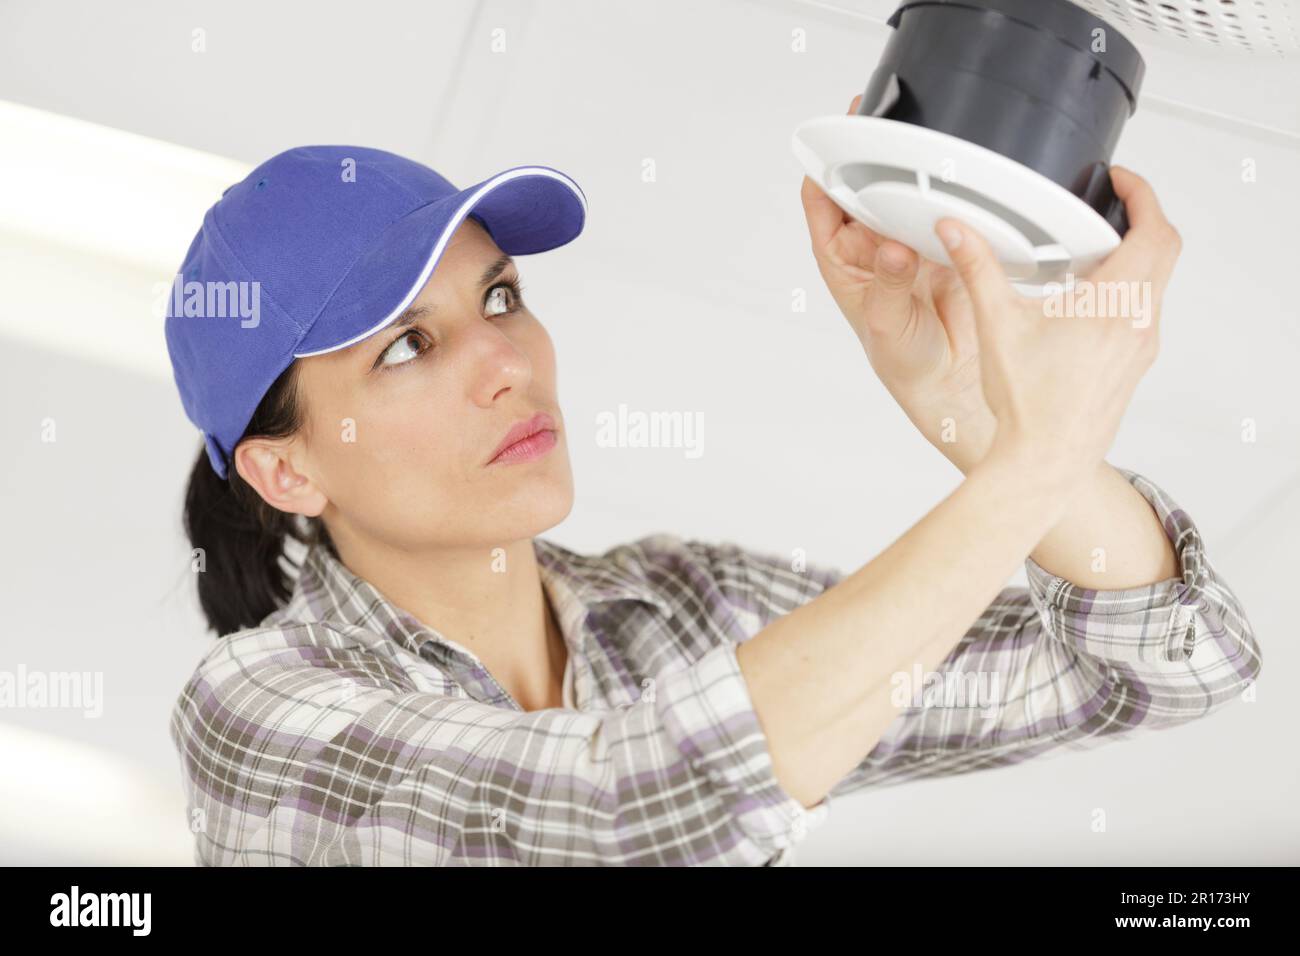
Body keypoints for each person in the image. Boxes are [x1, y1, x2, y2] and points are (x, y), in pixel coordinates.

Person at [165, 122, 1260, 866]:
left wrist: (969, 413)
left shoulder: (679, 604)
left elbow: (1165, 661)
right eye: (407, 348)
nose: (506, 361)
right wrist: (1034, 459)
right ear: (286, 469)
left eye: (499, 293)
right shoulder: (258, 709)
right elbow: (622, 815)